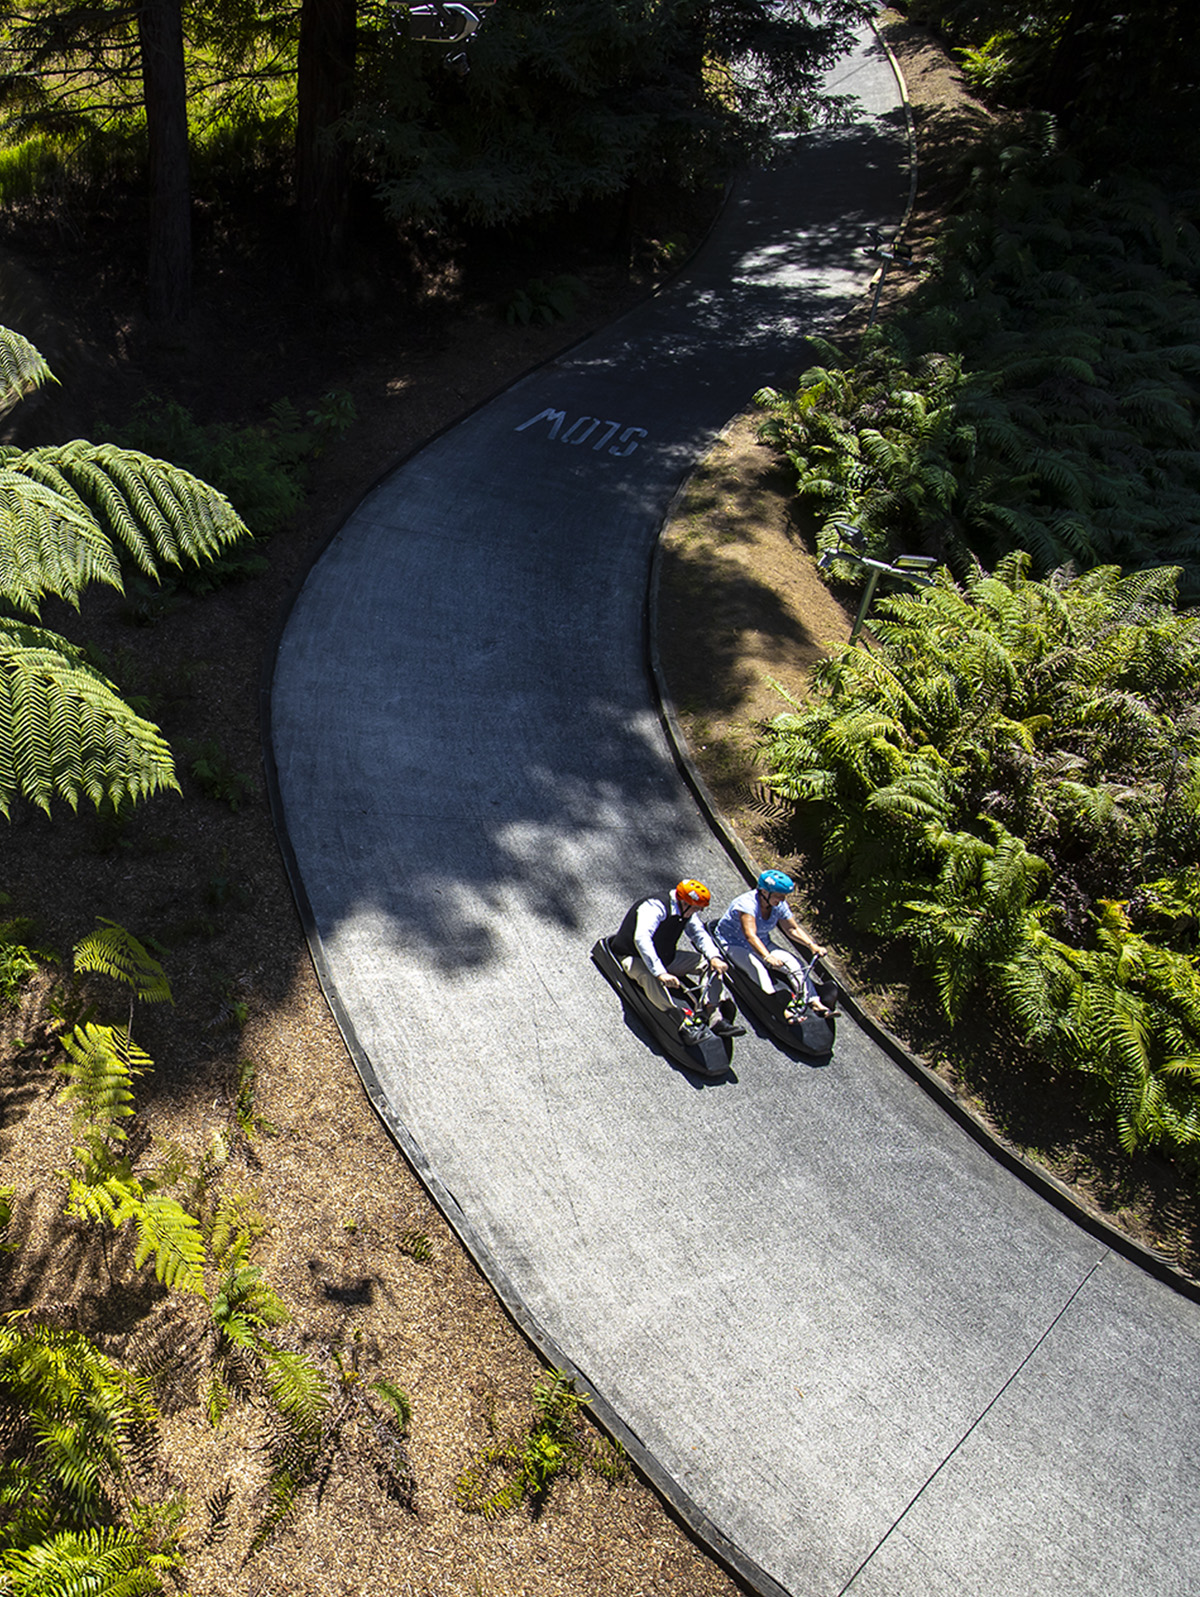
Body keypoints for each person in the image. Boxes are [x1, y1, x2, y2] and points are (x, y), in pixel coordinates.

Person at [608, 879, 745, 1038]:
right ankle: (679, 1021)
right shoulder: (655, 907)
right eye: (695, 908)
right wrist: (660, 973)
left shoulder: (686, 910)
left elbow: (699, 934)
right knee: (648, 977)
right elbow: (642, 939)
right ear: (683, 901)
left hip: (666, 957)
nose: (696, 912)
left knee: (708, 964)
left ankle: (714, 1016)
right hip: (633, 956)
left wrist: (714, 957)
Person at [714, 870, 836, 1018]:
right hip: (734, 943)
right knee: (758, 969)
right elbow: (750, 936)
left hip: (763, 942)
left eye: (783, 895)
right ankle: (777, 1005)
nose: (782, 899)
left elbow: (792, 928)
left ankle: (813, 1001)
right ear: (764, 892)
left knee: (793, 963)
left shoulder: (778, 905)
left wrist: (812, 945)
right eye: (778, 895)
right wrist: (767, 957)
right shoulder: (746, 904)